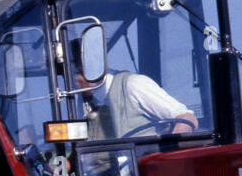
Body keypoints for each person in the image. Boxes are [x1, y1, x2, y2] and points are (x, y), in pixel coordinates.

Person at [69, 38, 197, 140]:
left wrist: (165, 152)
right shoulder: (88, 104)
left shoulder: (133, 85)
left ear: (90, 71)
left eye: (72, 74)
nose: (72, 84)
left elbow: (186, 118)